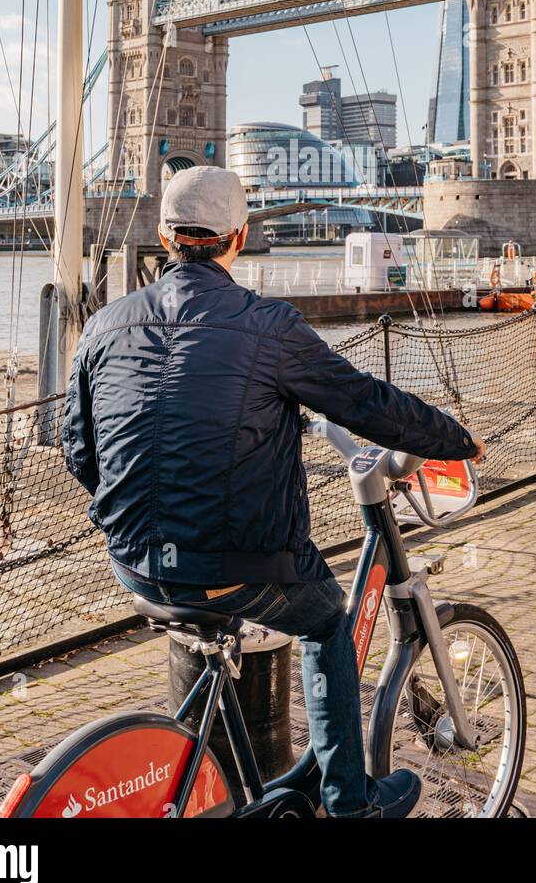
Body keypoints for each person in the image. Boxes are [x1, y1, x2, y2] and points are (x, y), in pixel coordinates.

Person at [63, 165, 484, 819]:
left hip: (131, 564)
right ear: (239, 236)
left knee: (226, 614)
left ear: (163, 234)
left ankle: (229, 786)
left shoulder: (103, 324)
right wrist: (453, 438)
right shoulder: (267, 325)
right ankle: (351, 802)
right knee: (323, 622)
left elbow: (79, 452)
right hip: (226, 568)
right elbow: (363, 402)